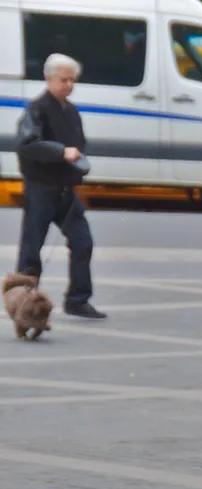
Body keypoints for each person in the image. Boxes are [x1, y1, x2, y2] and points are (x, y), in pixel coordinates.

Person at [15, 53, 105, 320]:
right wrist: (60, 152)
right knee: (32, 249)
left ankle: (78, 299)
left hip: (66, 189)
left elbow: (79, 147)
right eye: (63, 80)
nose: (68, 85)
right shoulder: (37, 109)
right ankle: (23, 303)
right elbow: (27, 145)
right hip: (41, 188)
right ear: (49, 78)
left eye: (72, 80)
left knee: (82, 242)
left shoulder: (71, 110)